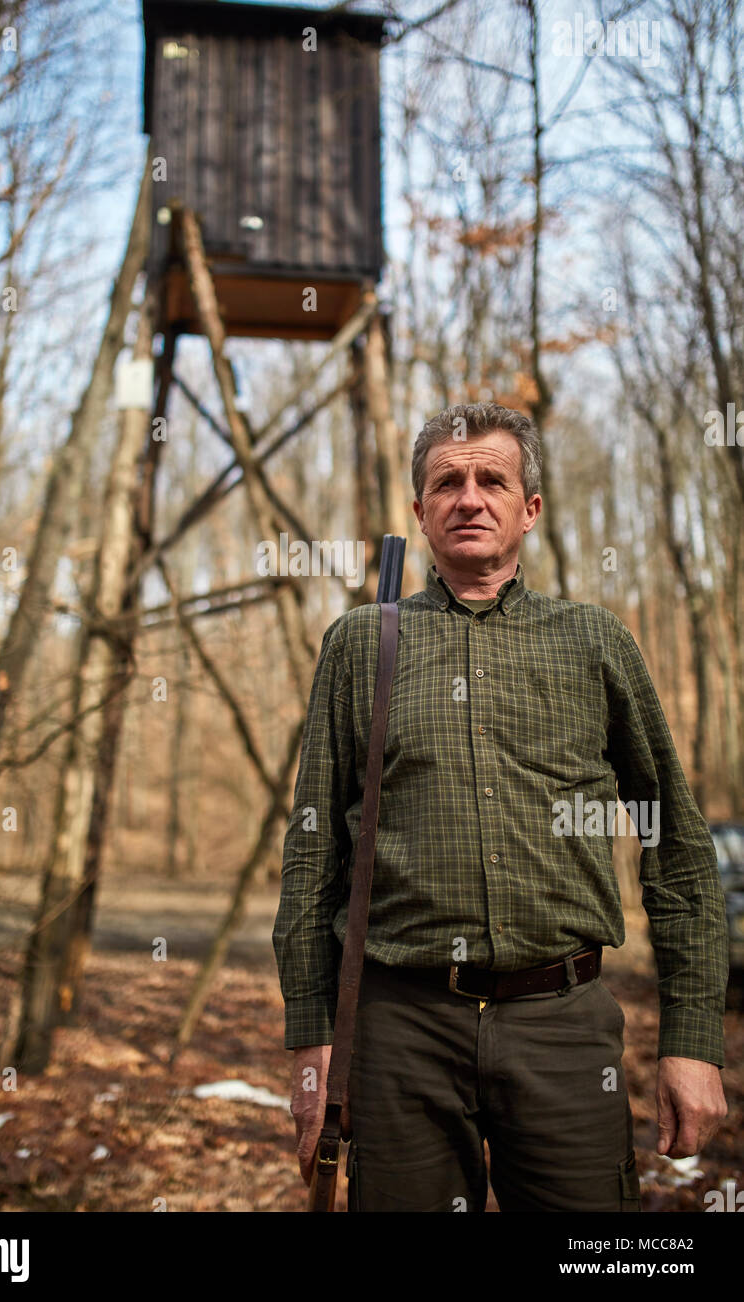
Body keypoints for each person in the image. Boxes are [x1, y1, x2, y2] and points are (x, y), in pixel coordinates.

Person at [272, 401, 728, 1212]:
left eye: (493, 480)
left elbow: (678, 844)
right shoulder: (360, 644)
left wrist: (692, 1042)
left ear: (531, 508)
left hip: (563, 1025)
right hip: (397, 1030)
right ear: (420, 511)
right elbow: (312, 854)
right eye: (447, 482)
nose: (470, 498)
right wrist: (312, 1040)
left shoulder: (594, 642)